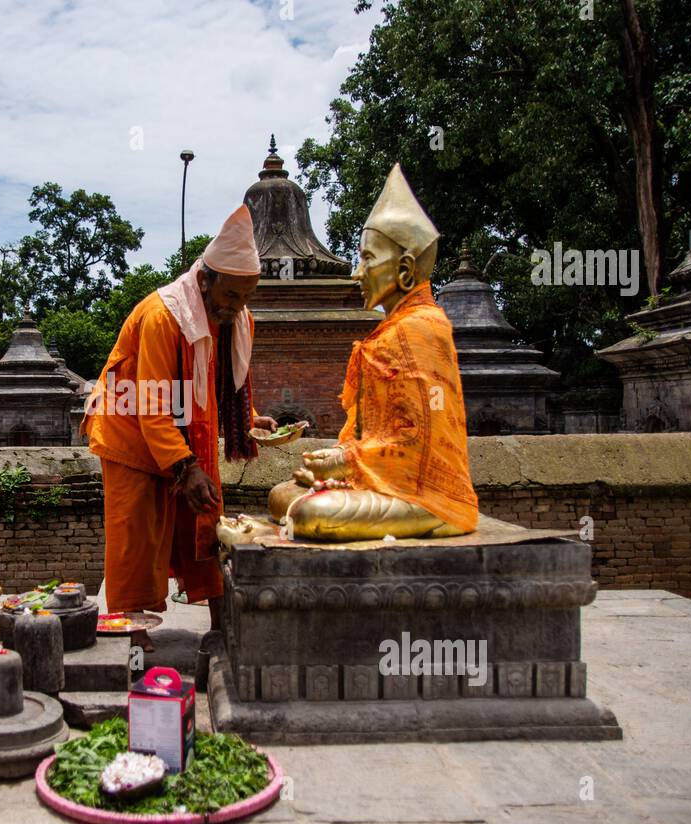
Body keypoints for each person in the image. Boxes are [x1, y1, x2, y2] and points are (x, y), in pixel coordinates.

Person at [82, 204, 276, 644]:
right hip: (129, 429)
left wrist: (246, 417)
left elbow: (219, 378)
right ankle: (134, 637)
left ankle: (223, 627)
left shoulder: (235, 318)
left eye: (247, 297)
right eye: (231, 296)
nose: (238, 308)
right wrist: (186, 467)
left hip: (182, 428)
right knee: (137, 537)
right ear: (205, 280)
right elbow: (151, 404)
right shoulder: (163, 315)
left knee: (207, 519)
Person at [268, 163, 479, 540]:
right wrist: (338, 464)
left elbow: (417, 444)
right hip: (383, 483)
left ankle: (436, 518)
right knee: (281, 497)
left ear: (404, 269)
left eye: (368, 259)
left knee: (311, 514)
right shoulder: (389, 332)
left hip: (425, 494)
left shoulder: (421, 328)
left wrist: (342, 463)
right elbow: (371, 436)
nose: (357, 273)